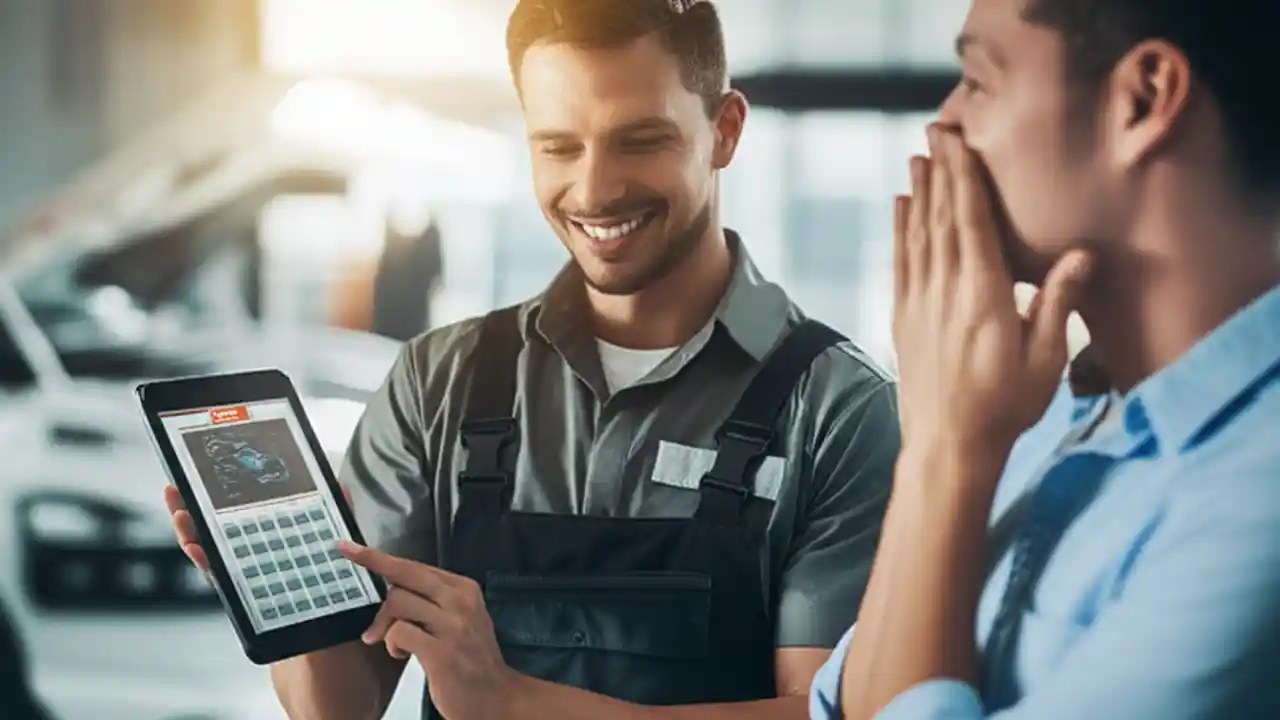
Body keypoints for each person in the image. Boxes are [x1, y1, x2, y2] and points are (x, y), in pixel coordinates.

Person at [166, 1, 900, 718]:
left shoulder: (838, 410)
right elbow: (340, 706)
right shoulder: (437, 384)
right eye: (558, 147)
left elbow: (830, 712)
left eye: (640, 140)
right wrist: (283, 586)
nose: (595, 189)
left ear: (725, 130)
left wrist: (512, 703)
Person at [811, 0, 1280, 718]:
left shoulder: (1258, 498)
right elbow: (843, 703)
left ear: (1142, 100)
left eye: (977, 80)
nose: (943, 126)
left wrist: (944, 451)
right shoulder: (1042, 411)